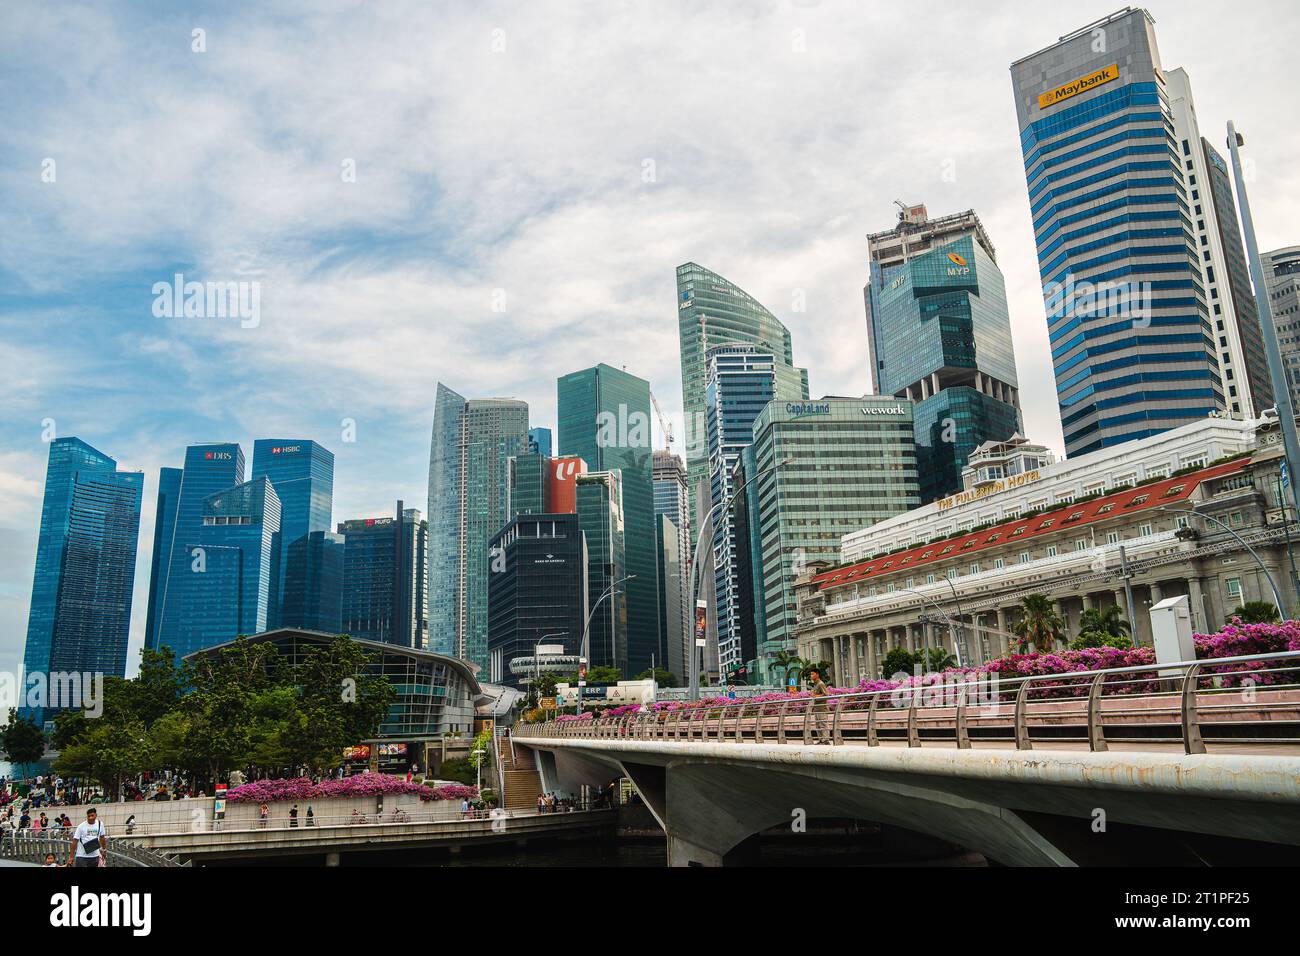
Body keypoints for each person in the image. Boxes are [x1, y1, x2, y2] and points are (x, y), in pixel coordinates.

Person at [808, 669, 830, 744]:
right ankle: (821, 740)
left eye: (812, 674)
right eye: (811, 674)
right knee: (818, 725)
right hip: (817, 708)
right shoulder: (815, 684)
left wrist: (816, 696)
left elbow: (826, 695)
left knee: (823, 724)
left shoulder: (820, 684)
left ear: (817, 675)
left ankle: (826, 740)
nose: (811, 676)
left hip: (822, 708)